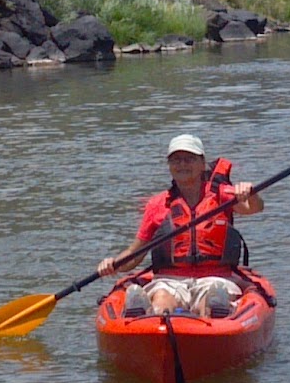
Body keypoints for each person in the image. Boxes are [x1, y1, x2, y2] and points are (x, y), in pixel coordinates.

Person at [97, 133, 264, 317]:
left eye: (189, 159)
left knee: (211, 299)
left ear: (202, 164)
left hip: (215, 278)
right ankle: (145, 313)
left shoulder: (222, 195)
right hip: (169, 280)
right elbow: (135, 254)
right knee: (161, 299)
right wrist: (113, 264)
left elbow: (254, 208)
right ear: (169, 166)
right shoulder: (157, 204)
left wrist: (251, 193)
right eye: (176, 160)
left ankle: (214, 316)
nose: (182, 165)